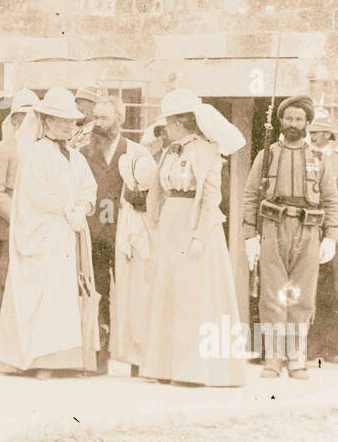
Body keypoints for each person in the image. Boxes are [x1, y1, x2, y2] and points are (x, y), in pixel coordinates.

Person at [142, 90, 247, 386]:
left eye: (169, 123)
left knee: (192, 297)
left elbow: (212, 196)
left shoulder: (207, 150)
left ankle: (193, 369)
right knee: (169, 293)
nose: (166, 129)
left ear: (181, 123)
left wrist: (200, 234)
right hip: (171, 225)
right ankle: (164, 366)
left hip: (194, 225)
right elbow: (158, 190)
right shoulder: (169, 151)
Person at [0, 87, 98, 377]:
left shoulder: (76, 158)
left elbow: (88, 186)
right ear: (46, 121)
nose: (66, 126)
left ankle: (64, 358)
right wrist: (66, 208)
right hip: (44, 234)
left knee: (65, 294)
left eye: (70, 121)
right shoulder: (35, 155)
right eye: (59, 120)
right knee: (42, 292)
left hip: (69, 233)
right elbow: (36, 195)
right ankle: (38, 359)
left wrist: (84, 206)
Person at [243, 95, 338, 378]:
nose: (293, 124)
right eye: (289, 118)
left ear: (307, 123)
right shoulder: (267, 155)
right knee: (272, 295)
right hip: (273, 227)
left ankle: (296, 357)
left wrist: (330, 236)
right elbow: (250, 196)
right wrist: (250, 235)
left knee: (302, 297)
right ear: (281, 121)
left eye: (299, 119)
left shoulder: (320, 159)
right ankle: (273, 357)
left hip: (308, 231)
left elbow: (332, 201)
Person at [80, 97, 149, 371]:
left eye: (103, 119)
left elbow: (148, 194)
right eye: (95, 118)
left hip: (125, 236)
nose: (97, 124)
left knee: (133, 294)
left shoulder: (135, 153)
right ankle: (99, 355)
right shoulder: (84, 153)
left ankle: (137, 358)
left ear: (120, 119)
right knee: (97, 295)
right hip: (94, 234)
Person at [305, 106, 338, 364]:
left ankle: (331, 346)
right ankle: (310, 345)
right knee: (308, 288)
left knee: (330, 292)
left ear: (328, 135)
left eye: (319, 133)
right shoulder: (305, 155)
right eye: (311, 132)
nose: (314, 137)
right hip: (308, 227)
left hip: (331, 229)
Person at [110, 130, 158, 378]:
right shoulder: (137, 164)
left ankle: (155, 355)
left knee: (152, 291)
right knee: (137, 291)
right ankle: (137, 356)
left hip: (158, 231)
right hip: (139, 232)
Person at [0, 88, 38, 314]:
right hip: (12, 222)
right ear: (15, 119)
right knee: (8, 271)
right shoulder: (3, 148)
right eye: (23, 116)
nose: (28, 121)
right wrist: (17, 215)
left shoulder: (42, 149)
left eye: (33, 116)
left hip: (39, 221)